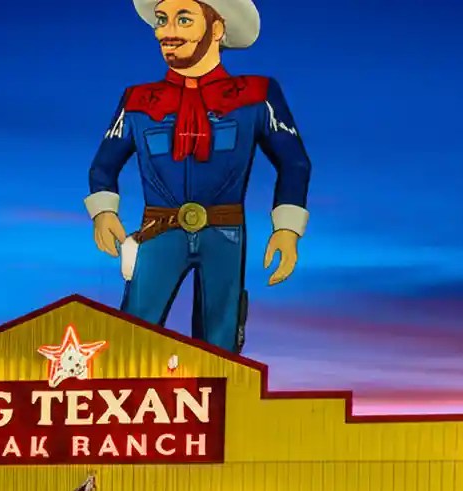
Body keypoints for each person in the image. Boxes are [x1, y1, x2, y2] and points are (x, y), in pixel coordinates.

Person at [86, 0, 312, 353]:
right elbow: (104, 165)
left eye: (183, 19)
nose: (167, 32)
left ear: (217, 29)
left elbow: (294, 161)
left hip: (225, 233)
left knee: (220, 343)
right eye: (162, 20)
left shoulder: (257, 94)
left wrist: (287, 228)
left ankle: (219, 405)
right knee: (132, 335)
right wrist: (103, 211)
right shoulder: (137, 100)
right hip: (158, 232)